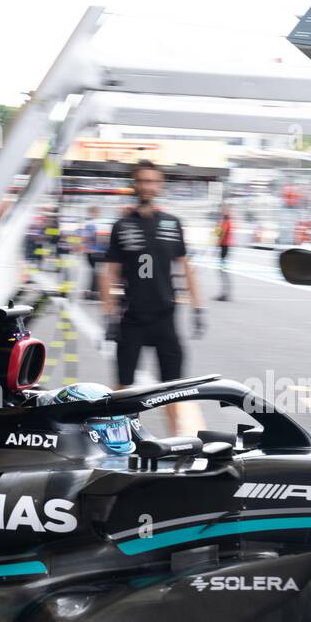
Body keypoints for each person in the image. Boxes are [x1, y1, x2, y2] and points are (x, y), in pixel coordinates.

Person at [99, 160, 205, 436]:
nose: (147, 186)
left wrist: (198, 308)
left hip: (165, 319)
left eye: (152, 181)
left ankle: (174, 443)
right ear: (134, 184)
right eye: (142, 181)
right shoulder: (121, 226)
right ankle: (118, 440)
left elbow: (185, 267)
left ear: (159, 186)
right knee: (122, 387)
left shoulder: (173, 224)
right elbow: (109, 272)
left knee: (172, 387)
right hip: (132, 318)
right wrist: (108, 313)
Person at [81, 206, 102, 300]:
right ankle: (92, 293)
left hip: (92, 251)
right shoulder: (91, 224)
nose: (98, 214)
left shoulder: (91, 223)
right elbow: (88, 239)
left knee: (94, 272)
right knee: (95, 272)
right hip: (92, 252)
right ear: (92, 213)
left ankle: (92, 291)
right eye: (96, 212)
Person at [214, 206, 233, 301]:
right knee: (222, 271)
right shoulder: (223, 223)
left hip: (224, 248)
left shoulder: (226, 223)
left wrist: (216, 246)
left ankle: (225, 294)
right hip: (223, 248)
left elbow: (220, 235)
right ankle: (225, 293)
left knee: (223, 271)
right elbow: (216, 234)